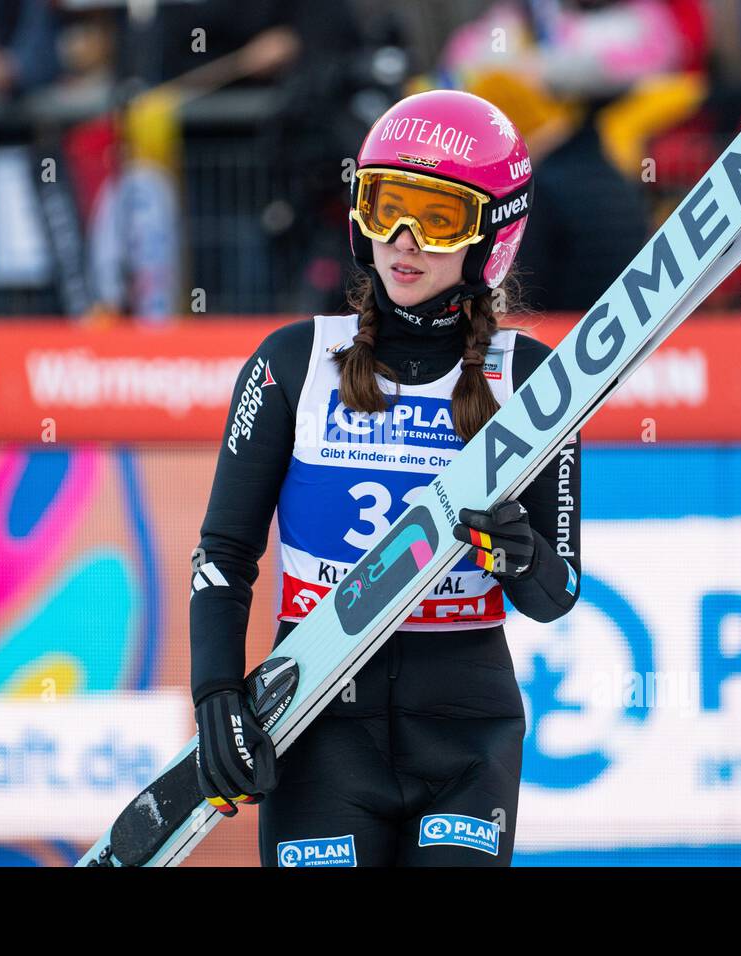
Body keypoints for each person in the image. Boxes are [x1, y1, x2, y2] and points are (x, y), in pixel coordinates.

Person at [189, 90, 582, 867]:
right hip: (319, 727)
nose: (404, 240)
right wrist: (215, 696)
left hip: (466, 739)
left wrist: (520, 554)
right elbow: (224, 555)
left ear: (492, 237)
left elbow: (556, 592)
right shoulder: (290, 365)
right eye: (385, 206)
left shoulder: (532, 380)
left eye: (439, 218)